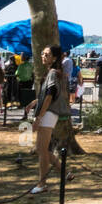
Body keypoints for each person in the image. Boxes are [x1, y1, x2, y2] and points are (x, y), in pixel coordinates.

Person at [28, 45, 69, 195]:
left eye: (47, 54)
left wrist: (39, 117)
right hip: (48, 113)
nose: (43, 56)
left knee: (42, 150)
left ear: (55, 58)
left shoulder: (52, 73)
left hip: (49, 114)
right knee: (41, 149)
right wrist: (34, 103)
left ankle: (42, 183)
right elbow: (47, 95)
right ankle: (65, 173)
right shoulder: (52, 73)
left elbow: (50, 96)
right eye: (42, 53)